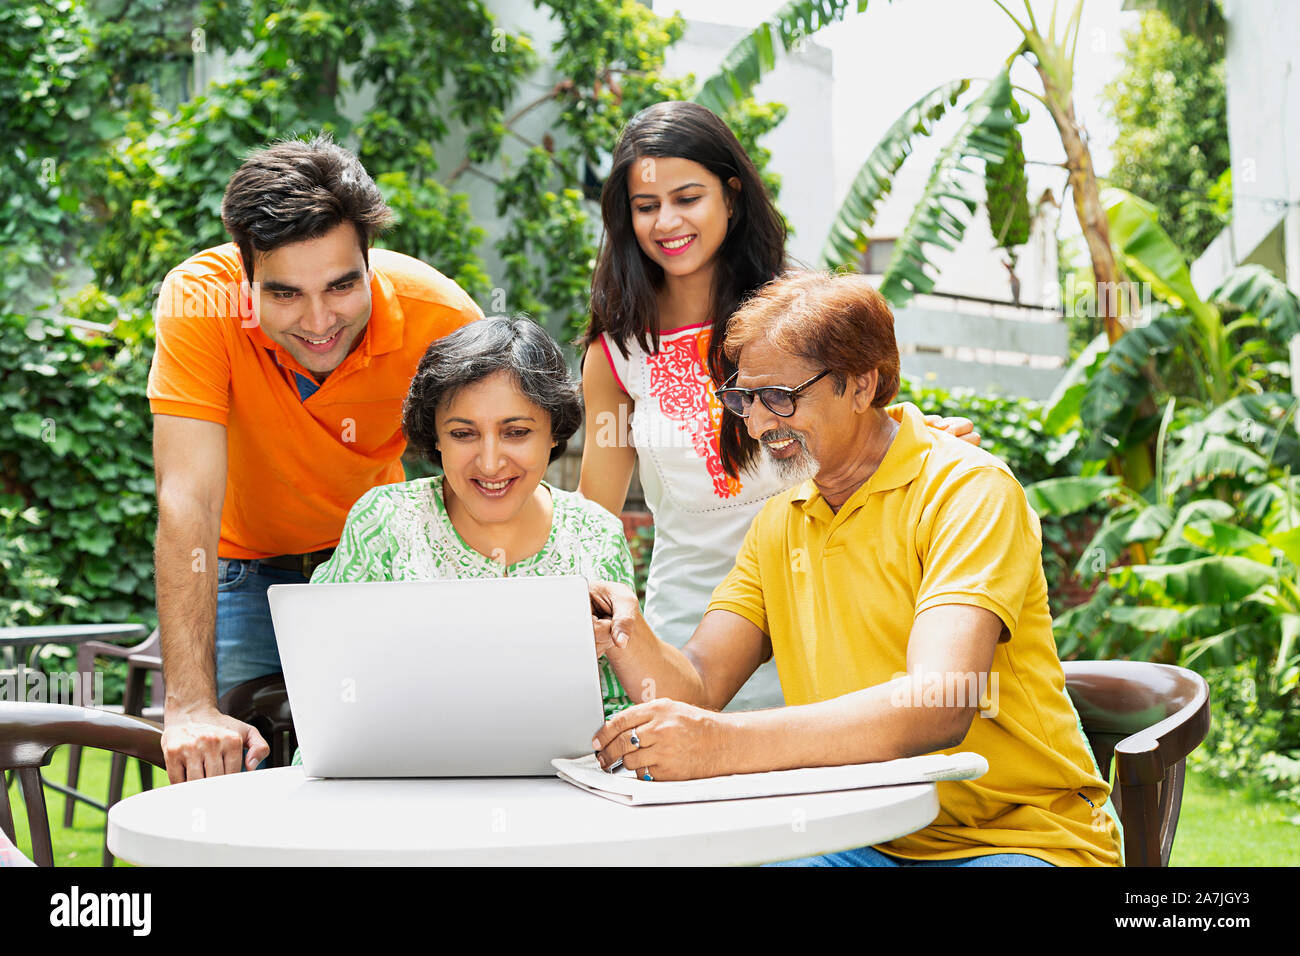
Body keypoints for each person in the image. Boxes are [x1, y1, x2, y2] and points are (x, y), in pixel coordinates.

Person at [588, 271, 1123, 867]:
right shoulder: (780, 520)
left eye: (781, 397)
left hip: (1021, 840)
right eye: (744, 399)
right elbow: (701, 684)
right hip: (863, 836)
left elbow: (938, 702)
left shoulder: (968, 491)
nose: (761, 424)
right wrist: (625, 633)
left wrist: (721, 744)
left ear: (863, 384)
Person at [578, 101, 978, 711]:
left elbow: (856, 425)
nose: (667, 221)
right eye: (646, 206)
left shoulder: (796, 318)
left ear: (731, 197)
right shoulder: (618, 353)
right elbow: (595, 521)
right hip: (690, 647)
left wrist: (928, 442)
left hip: (825, 622)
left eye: (689, 197)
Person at [149, 134, 482, 782]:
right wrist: (189, 706)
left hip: (373, 565)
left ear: (369, 259)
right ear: (244, 275)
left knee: (399, 768)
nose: (320, 320)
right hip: (244, 570)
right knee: (230, 778)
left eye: (341, 285)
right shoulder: (199, 301)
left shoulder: (439, 315)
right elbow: (187, 495)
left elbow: (491, 469)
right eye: (284, 295)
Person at [309, 316, 635, 716]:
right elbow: (327, 685)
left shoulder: (596, 533)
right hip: (402, 771)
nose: (491, 462)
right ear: (436, 438)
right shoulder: (385, 523)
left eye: (516, 432)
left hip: (559, 776)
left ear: (554, 430)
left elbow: (621, 708)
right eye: (463, 434)